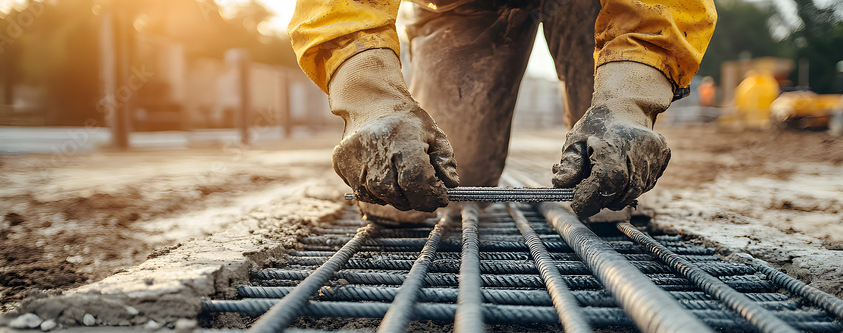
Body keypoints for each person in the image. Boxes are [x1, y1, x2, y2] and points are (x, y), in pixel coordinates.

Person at [289, 0, 717, 223]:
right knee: (415, 193)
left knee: (603, 193)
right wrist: (370, 103)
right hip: (465, 7)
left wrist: (630, 104)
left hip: (597, 6)